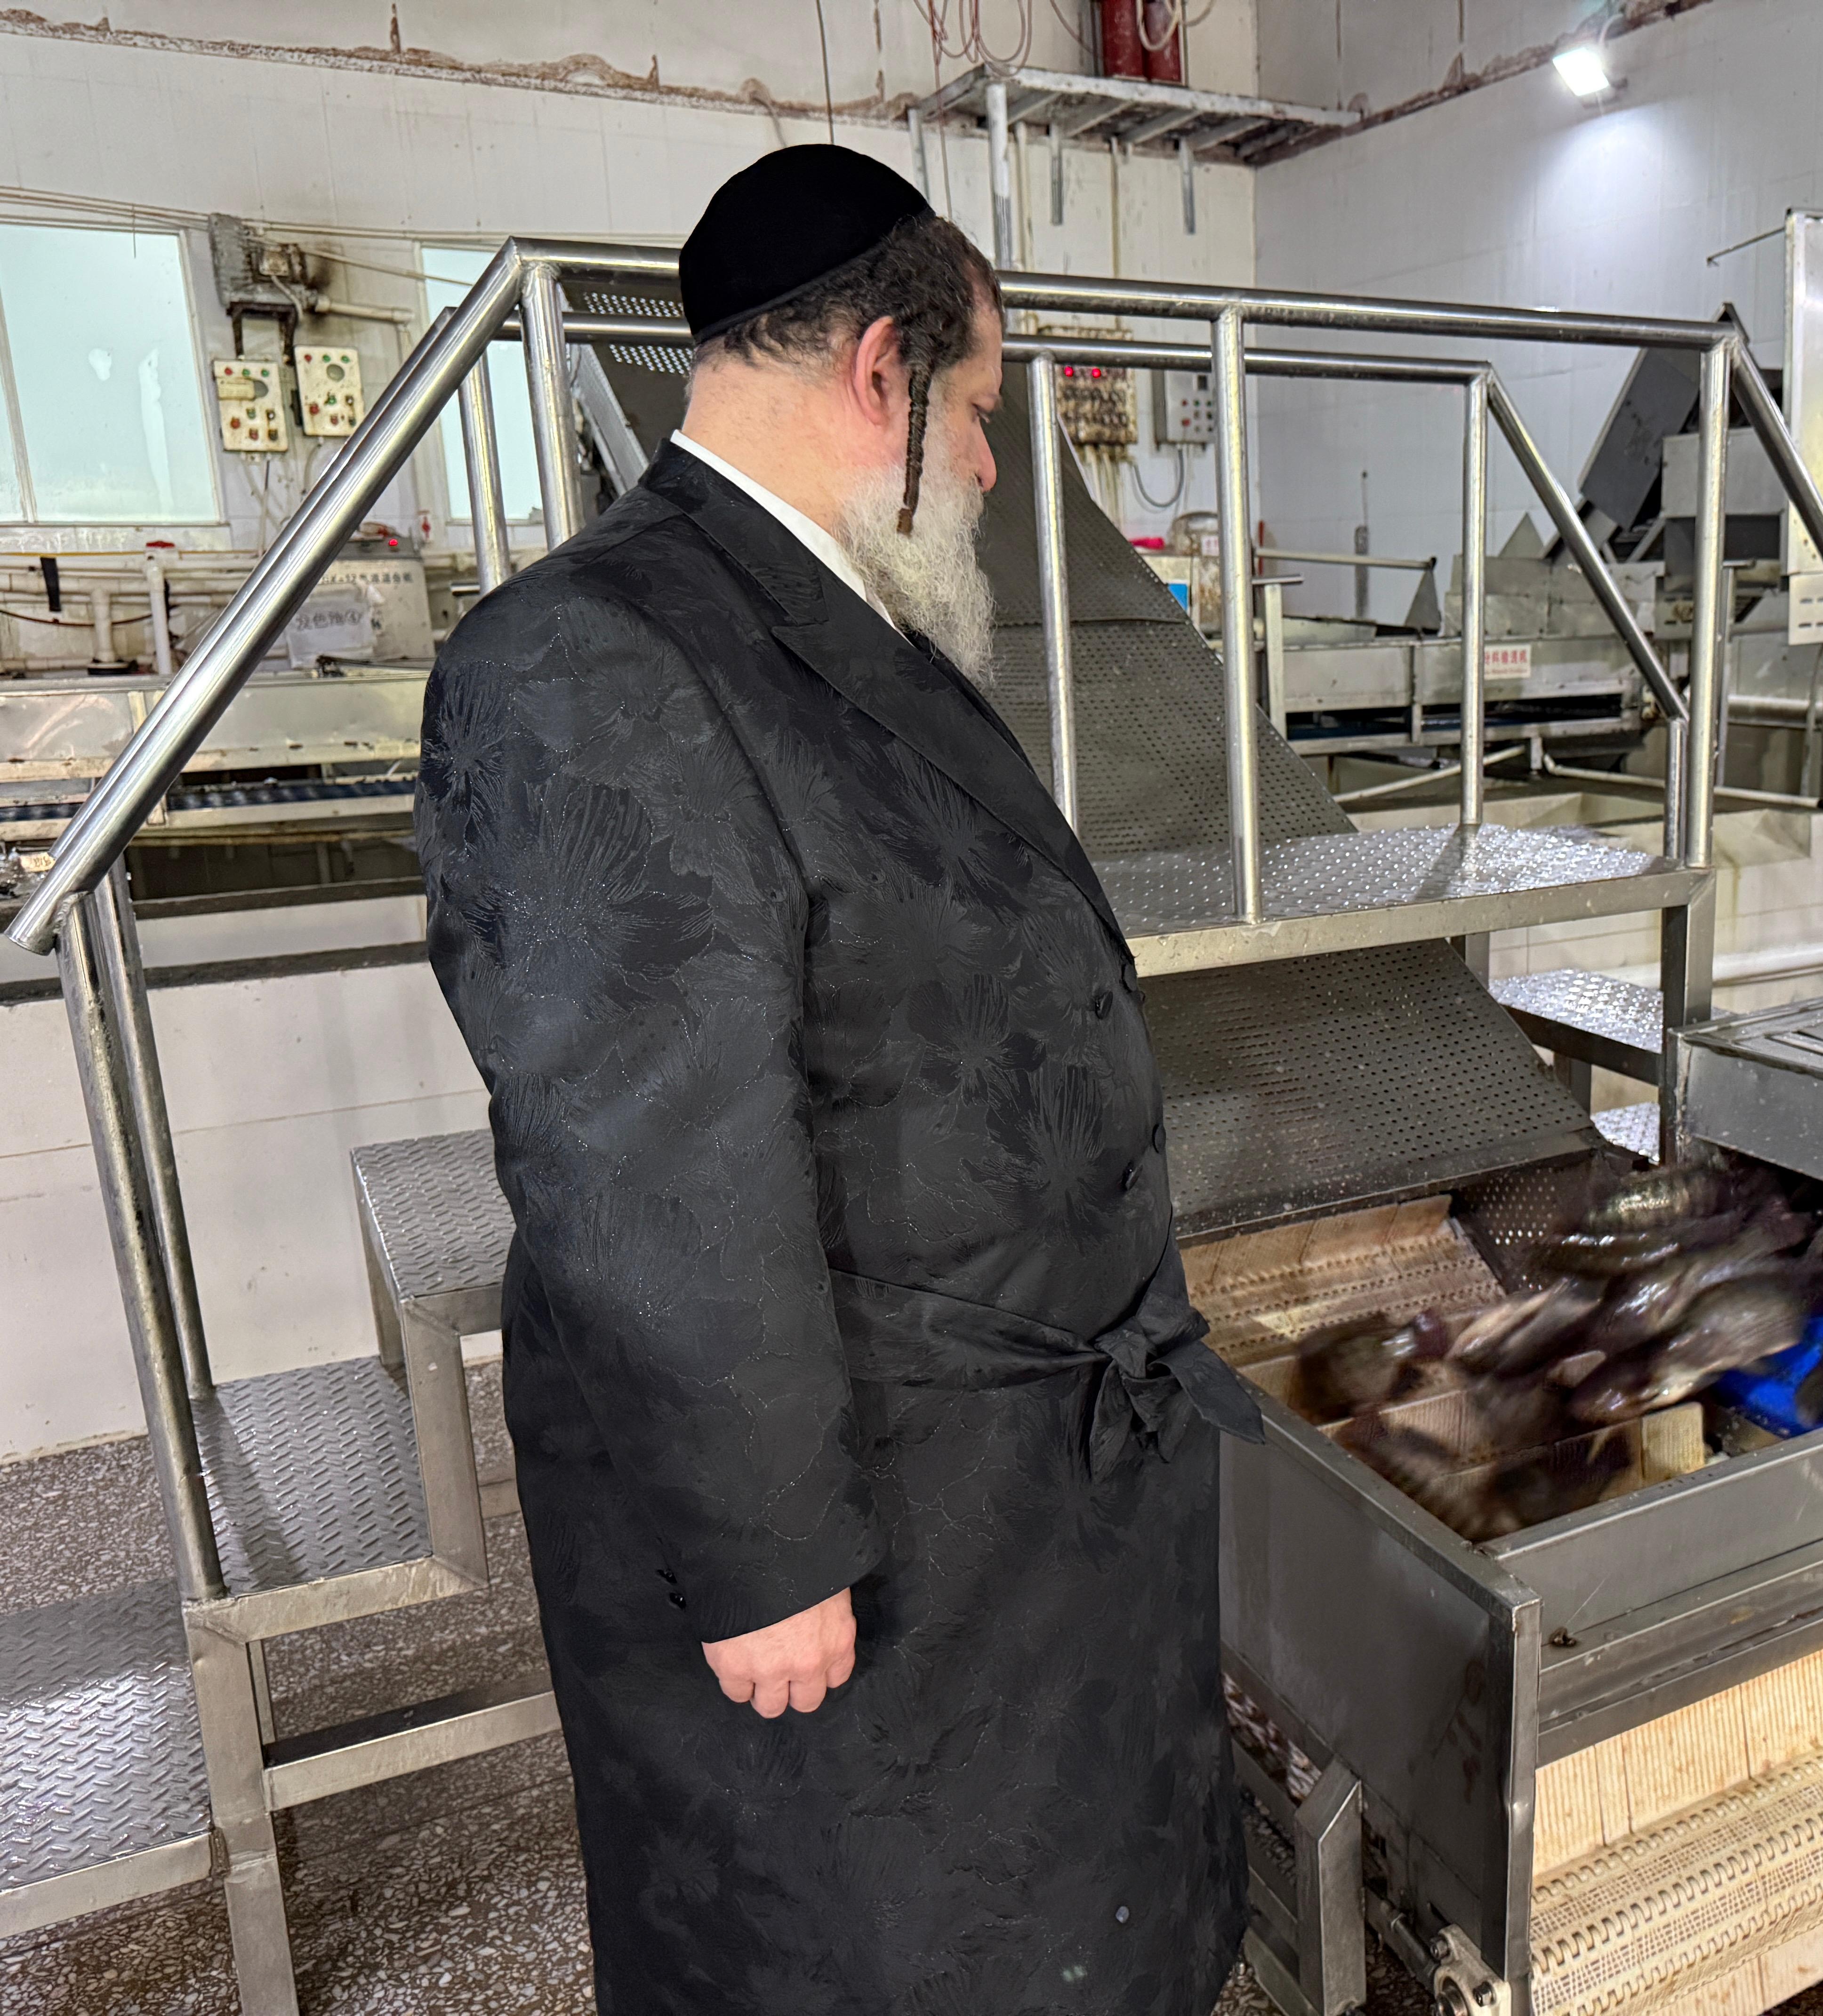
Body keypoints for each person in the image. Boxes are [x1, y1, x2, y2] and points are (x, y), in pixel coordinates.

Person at [415, 145, 1261, 2015]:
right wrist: (762, 1551)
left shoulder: (825, 609)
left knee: (1030, 1930)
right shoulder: (592, 657)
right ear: (884, 368)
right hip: (869, 1522)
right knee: (868, 1945)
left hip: (997, 1477)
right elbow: (643, 1151)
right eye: (981, 412)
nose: (990, 465)